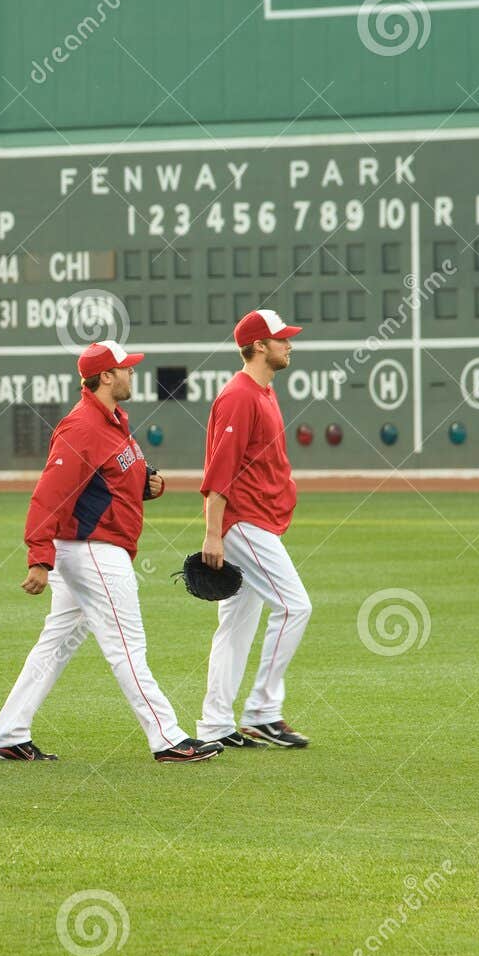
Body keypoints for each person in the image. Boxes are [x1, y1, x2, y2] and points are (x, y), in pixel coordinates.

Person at [0, 340, 217, 764]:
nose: (132, 373)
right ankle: (167, 737)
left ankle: (8, 732)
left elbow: (111, 482)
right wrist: (39, 556)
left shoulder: (112, 420)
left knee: (55, 644)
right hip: (91, 551)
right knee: (127, 646)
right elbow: (49, 495)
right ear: (105, 376)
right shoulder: (82, 427)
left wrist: (149, 485)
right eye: (125, 368)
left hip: (97, 547)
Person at [199, 310, 312, 750]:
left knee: (236, 627)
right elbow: (219, 471)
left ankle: (216, 724)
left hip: (256, 520)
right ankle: (264, 712)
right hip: (243, 522)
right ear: (259, 345)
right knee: (294, 606)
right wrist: (213, 533)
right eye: (281, 339)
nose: (289, 344)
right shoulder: (239, 396)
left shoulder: (263, 392)